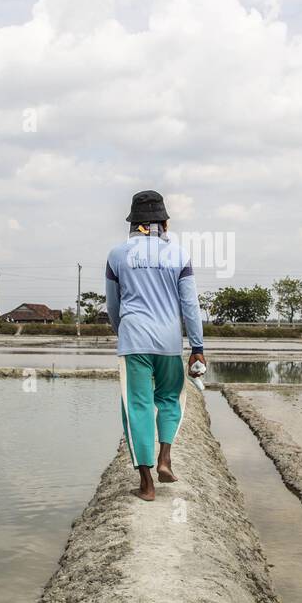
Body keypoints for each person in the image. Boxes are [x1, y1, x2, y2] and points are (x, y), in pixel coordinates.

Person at [105, 190, 205, 501]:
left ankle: (146, 484)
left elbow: (112, 305)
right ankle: (165, 459)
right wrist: (197, 347)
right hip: (169, 341)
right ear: (162, 222)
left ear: (134, 223)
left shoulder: (117, 255)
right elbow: (190, 305)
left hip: (134, 339)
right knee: (170, 400)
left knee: (138, 406)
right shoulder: (178, 255)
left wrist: (124, 332)